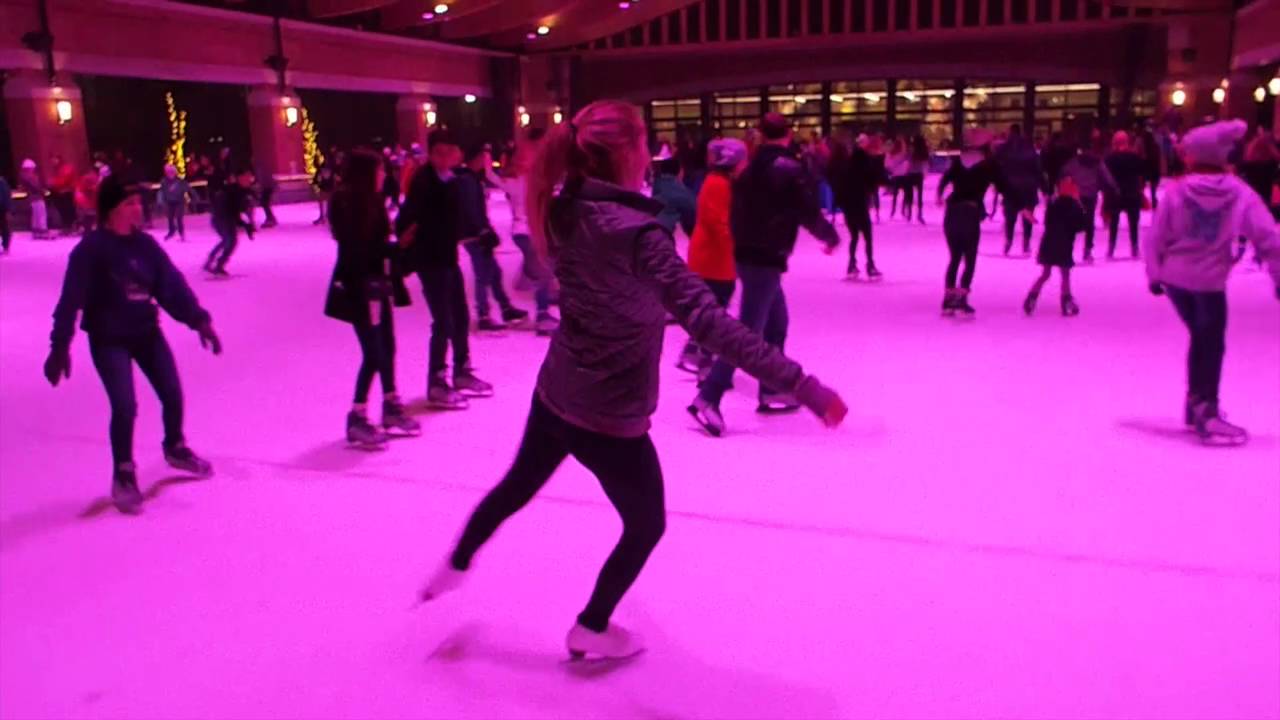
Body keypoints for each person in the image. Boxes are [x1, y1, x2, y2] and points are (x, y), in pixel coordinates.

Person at [416, 100, 847, 660]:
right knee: (646, 525)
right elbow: (711, 323)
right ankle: (591, 626)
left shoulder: (566, 206)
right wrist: (802, 385)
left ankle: (454, 564)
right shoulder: (639, 237)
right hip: (608, 414)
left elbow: (540, 276)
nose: (650, 152)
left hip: (556, 393)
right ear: (627, 153)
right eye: (644, 141)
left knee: (517, 485)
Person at [43, 176, 222, 515]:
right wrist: (59, 346)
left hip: (145, 333)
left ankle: (175, 446)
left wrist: (199, 320)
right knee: (125, 405)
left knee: (172, 393)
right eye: (130, 203)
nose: (138, 208)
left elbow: (171, 287)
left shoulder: (146, 247)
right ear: (112, 209)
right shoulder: (91, 250)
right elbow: (70, 300)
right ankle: (124, 473)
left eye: (139, 202)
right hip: (109, 339)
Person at [688, 112, 841, 436]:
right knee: (748, 335)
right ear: (788, 134)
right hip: (765, 258)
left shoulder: (747, 168)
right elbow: (806, 209)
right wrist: (828, 236)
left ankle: (772, 389)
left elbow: (735, 212)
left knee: (777, 324)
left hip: (748, 256)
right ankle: (709, 396)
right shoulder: (788, 168)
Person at [1144, 120, 1280, 445]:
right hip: (1209, 282)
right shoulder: (1239, 192)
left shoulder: (1178, 191)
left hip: (1176, 278)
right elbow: (1267, 236)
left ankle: (1196, 405)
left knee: (1202, 337)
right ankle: (1206, 409)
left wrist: (1154, 272)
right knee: (1211, 341)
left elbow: (1156, 234)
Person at [325, 150, 420, 449]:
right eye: (379, 170)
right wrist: (396, 247)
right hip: (361, 287)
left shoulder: (372, 202)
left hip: (378, 285)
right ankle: (357, 415)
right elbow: (358, 250)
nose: (383, 176)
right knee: (374, 352)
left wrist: (396, 249)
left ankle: (391, 403)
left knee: (387, 347)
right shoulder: (350, 204)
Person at [395, 129, 492, 409]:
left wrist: (477, 232)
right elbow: (410, 219)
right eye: (439, 152)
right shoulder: (424, 181)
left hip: (448, 258)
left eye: (450, 152)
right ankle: (436, 381)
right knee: (443, 321)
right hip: (430, 260)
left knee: (460, 316)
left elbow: (455, 219)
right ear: (431, 153)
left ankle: (461, 370)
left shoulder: (452, 179)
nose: (445, 157)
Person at [677, 137, 747, 373]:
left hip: (713, 257)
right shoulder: (718, 184)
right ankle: (702, 359)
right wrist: (738, 245)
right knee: (715, 309)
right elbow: (718, 223)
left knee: (712, 308)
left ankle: (694, 352)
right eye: (743, 160)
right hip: (713, 259)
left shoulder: (720, 182)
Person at [456, 142, 529, 331]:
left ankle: (505, 308)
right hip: (474, 236)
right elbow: (471, 209)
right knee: (483, 274)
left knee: (495, 272)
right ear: (476, 158)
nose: (486, 161)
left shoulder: (471, 178)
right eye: (484, 157)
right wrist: (482, 231)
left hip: (477, 233)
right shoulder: (467, 180)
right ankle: (483, 314)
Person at [496, 129, 558, 336]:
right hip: (526, 230)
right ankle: (542, 315)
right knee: (543, 270)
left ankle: (542, 309)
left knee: (542, 268)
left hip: (527, 230)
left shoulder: (528, 178)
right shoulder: (523, 181)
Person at [937, 128, 1002, 316]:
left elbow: (945, 178)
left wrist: (939, 194)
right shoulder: (988, 165)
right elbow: (1004, 185)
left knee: (955, 257)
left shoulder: (959, 160)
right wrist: (1021, 205)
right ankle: (962, 297)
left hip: (952, 213)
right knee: (970, 258)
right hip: (970, 212)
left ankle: (948, 298)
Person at [1023, 176, 1087, 316]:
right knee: (1065, 274)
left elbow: (1048, 222)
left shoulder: (1053, 205)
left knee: (1045, 274)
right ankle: (1066, 299)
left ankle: (1032, 296)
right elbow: (1081, 226)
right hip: (1065, 243)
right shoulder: (1075, 206)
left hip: (1049, 242)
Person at [1060, 131, 1119, 264]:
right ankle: (1087, 249)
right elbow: (1107, 177)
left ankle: (1068, 249)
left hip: (1077, 195)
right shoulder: (1097, 162)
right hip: (1091, 195)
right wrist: (1113, 187)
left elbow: (1064, 171)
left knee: (1072, 222)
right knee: (1089, 222)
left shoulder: (1075, 161)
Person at [831, 132, 882, 279]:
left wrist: (841, 203)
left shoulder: (846, 166)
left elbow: (839, 185)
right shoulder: (866, 165)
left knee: (854, 236)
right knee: (867, 236)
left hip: (849, 206)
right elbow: (874, 181)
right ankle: (870, 265)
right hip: (860, 204)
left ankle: (852, 264)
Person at [994, 124, 1042, 255]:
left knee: (1010, 216)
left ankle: (1009, 240)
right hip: (1028, 186)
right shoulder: (1029, 148)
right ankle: (1026, 242)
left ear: (1010, 132)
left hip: (1010, 186)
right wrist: (1043, 186)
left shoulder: (1004, 148)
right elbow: (1037, 168)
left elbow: (996, 164)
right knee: (1028, 215)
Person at [204, 166, 255, 276]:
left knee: (227, 240)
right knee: (230, 240)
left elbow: (237, 210)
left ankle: (212, 262)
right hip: (221, 218)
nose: (249, 179)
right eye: (246, 177)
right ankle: (217, 265)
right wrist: (244, 225)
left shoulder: (242, 191)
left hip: (225, 218)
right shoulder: (232, 190)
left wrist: (246, 224)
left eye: (250, 176)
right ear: (239, 178)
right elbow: (231, 210)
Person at [1104, 130, 1147, 259]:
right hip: (1132, 192)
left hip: (1115, 193)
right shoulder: (1134, 157)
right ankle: (1134, 246)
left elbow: (1105, 176)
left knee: (1114, 222)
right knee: (1133, 222)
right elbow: (1142, 172)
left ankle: (1111, 247)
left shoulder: (1110, 159)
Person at [651, 150, 697, 237]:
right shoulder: (685, 194)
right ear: (680, 172)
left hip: (653, 234)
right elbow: (694, 220)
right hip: (671, 237)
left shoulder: (656, 187)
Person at [158, 164, 191, 241]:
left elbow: (187, 189)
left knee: (179, 217)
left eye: (171, 171)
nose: (170, 173)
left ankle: (181, 233)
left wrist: (191, 197)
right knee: (170, 218)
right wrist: (160, 200)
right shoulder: (164, 181)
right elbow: (161, 191)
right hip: (169, 202)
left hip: (179, 202)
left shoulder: (180, 181)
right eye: (168, 172)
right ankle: (171, 231)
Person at [19, 159, 49, 240]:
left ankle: (37, 231)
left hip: (33, 198)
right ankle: (42, 231)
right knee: (41, 214)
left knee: (36, 215)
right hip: (37, 198)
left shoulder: (25, 176)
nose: (33, 169)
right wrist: (42, 191)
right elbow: (35, 187)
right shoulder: (30, 177)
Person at [49, 155, 78, 236]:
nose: (53, 162)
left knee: (68, 210)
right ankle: (67, 227)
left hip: (66, 193)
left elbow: (63, 181)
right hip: (60, 193)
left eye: (54, 159)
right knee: (63, 211)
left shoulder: (66, 168)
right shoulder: (57, 169)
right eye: (52, 160)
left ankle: (72, 227)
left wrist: (53, 183)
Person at [905, 134, 930, 224]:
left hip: (910, 173)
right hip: (919, 174)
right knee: (920, 195)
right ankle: (919, 214)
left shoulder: (911, 149)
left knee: (910, 194)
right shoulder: (923, 151)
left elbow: (907, 159)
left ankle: (909, 213)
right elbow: (926, 162)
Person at [313, 151, 339, 225]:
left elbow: (317, 179)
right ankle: (323, 217)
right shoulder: (330, 168)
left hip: (328, 188)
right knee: (325, 202)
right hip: (327, 188)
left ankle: (325, 217)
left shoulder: (330, 169)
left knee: (327, 202)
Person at [0, 173, 11, 254]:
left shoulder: (2, 183)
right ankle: (5, 246)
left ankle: (6, 246)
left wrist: (7, 209)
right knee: (4, 228)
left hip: (2, 208)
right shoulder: (3, 183)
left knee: (4, 228)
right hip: (3, 208)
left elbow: (6, 197)